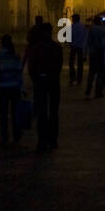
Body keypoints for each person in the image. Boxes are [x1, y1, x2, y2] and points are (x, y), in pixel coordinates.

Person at [29, 21, 63, 151]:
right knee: (53, 112)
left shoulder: (36, 48)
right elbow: (59, 64)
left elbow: (32, 67)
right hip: (53, 80)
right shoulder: (57, 47)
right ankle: (53, 140)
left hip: (41, 81)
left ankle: (42, 140)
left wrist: (36, 79)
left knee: (42, 112)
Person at [0, 34, 24, 146]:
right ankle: (16, 133)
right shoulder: (16, 55)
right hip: (15, 87)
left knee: (3, 113)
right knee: (15, 112)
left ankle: (4, 135)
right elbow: (19, 72)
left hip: (3, 86)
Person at [84, 16, 105, 98]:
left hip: (93, 53)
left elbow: (87, 42)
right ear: (100, 22)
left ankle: (88, 91)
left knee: (91, 73)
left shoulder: (91, 30)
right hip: (100, 53)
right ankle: (98, 92)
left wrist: (85, 54)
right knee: (100, 73)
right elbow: (104, 43)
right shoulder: (102, 30)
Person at [68, 12, 86, 84]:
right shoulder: (83, 27)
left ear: (74, 19)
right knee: (80, 64)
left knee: (71, 63)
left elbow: (68, 36)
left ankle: (73, 78)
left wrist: (70, 43)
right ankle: (79, 79)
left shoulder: (71, 27)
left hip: (73, 46)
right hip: (80, 47)